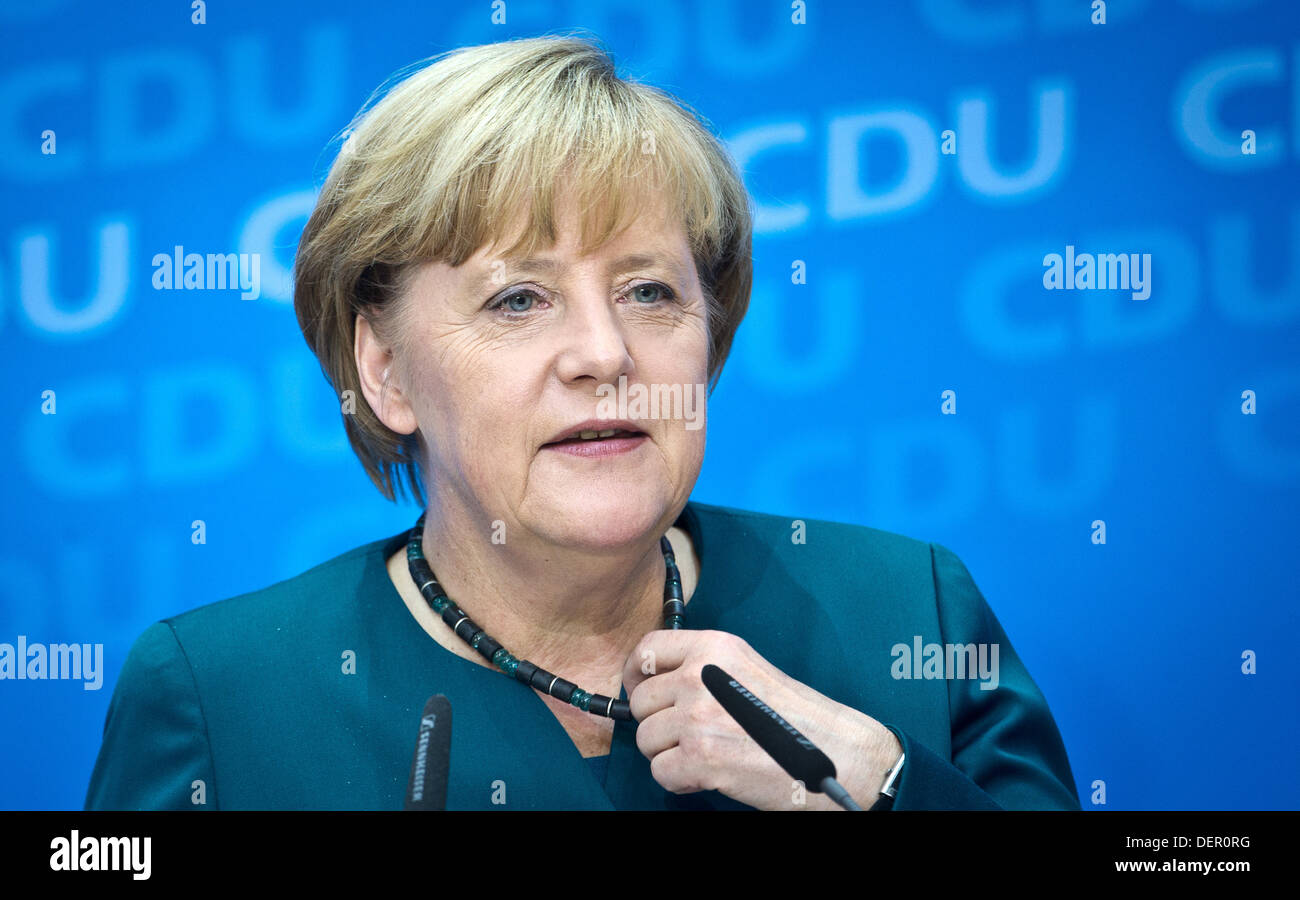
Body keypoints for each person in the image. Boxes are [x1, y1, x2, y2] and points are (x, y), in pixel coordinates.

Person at [84, 33, 1079, 811]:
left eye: (649, 292)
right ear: (383, 373)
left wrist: (879, 785)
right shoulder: (222, 697)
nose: (604, 354)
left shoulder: (907, 611)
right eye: (517, 300)